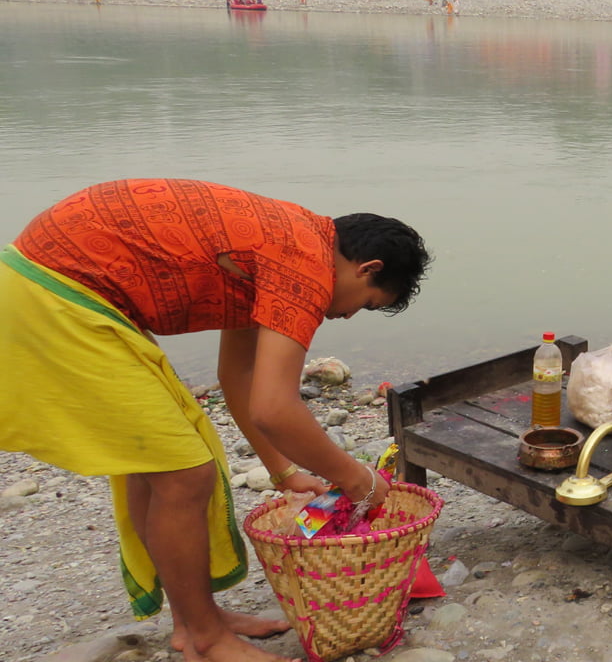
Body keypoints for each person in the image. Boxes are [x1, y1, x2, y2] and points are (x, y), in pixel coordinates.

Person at [0, 179, 432, 662]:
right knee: (185, 474)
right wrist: (356, 477)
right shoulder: (305, 267)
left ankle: (194, 620)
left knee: (162, 465)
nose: (350, 316)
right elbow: (275, 407)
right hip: (55, 294)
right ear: (365, 268)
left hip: (56, 283)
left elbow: (240, 376)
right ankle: (206, 641)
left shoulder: (285, 244)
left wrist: (285, 471)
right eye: (367, 303)